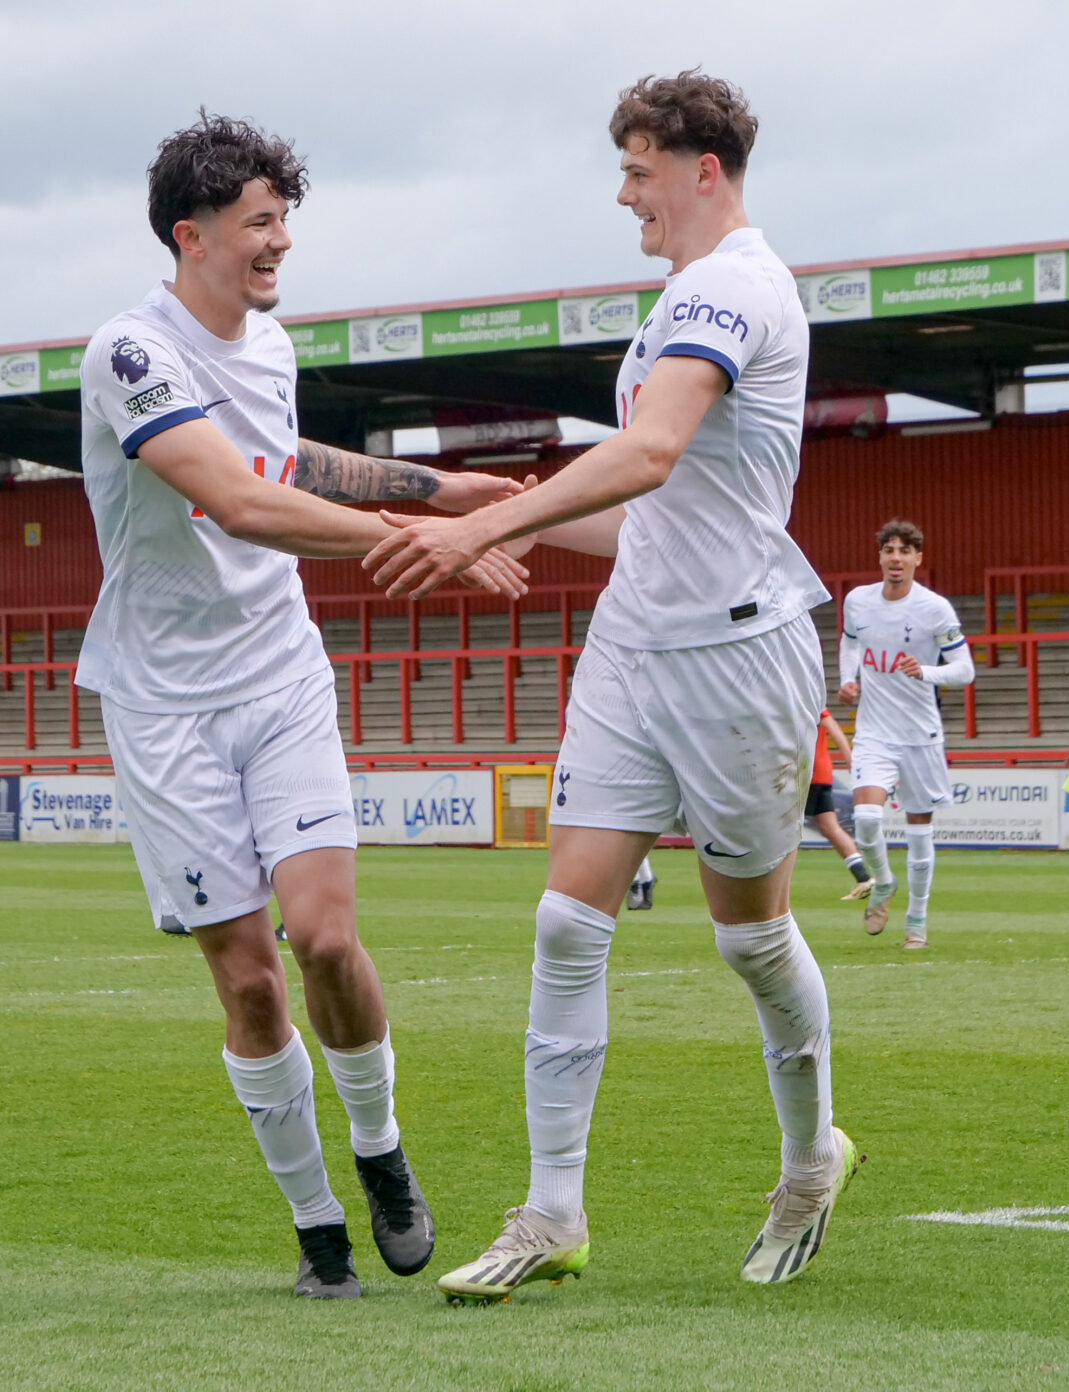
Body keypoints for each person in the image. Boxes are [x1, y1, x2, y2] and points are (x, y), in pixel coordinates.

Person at [365, 71, 861, 1292]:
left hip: (740, 657)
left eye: (640, 171)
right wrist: (500, 511)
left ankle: (811, 1158)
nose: (625, 194)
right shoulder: (678, 299)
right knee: (566, 918)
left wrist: (488, 532)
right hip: (636, 647)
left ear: (705, 171)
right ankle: (552, 1213)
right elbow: (652, 508)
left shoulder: (737, 286)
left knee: (751, 942)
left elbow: (649, 451)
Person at [76, 113, 531, 1299]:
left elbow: (287, 462)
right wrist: (427, 534)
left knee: (324, 936)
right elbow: (236, 499)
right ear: (193, 234)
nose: (281, 245)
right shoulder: (129, 353)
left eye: (286, 221)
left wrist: (445, 487)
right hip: (164, 705)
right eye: (260, 223)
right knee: (248, 980)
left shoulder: (269, 349)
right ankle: (317, 1222)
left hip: (278, 670)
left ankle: (379, 1152)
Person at [838, 521, 975, 949]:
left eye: (905, 550)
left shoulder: (934, 609)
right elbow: (849, 643)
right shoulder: (857, 601)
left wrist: (926, 672)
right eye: (889, 549)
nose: (896, 558)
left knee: (919, 831)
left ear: (919, 558)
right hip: (875, 731)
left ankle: (917, 919)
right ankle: (883, 882)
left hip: (920, 735)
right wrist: (848, 680)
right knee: (865, 819)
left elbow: (965, 670)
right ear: (879, 556)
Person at [807, 707, 873, 899]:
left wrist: (851, 761)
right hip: (820, 773)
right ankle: (863, 877)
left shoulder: (805, 696)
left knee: (783, 829)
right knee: (829, 826)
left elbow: (831, 726)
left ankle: (770, 886)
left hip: (806, 774)